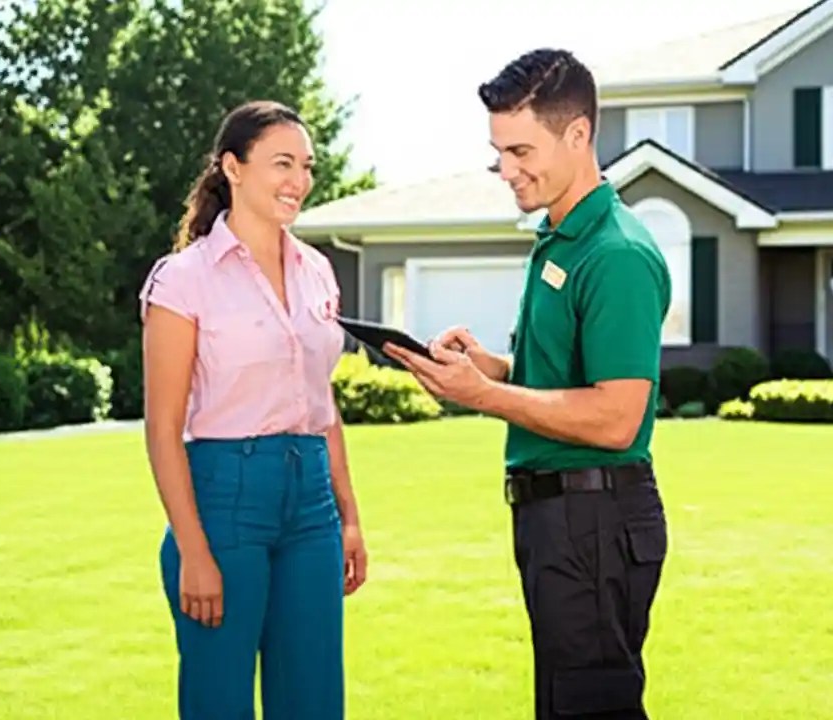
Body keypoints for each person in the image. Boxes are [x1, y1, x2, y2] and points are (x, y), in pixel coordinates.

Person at [384, 48, 670, 720]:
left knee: (591, 708)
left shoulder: (616, 254)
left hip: (593, 519)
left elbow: (616, 417)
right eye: (498, 153)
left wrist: (482, 397)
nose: (506, 171)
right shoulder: (558, 241)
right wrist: (486, 369)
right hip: (558, 518)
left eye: (519, 150)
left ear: (578, 135)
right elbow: (559, 380)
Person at [140, 99, 367, 720]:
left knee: (315, 702)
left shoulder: (318, 271)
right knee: (219, 702)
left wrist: (348, 515)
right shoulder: (183, 279)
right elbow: (161, 428)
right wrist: (193, 549)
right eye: (282, 163)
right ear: (233, 168)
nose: (299, 180)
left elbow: (323, 404)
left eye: (307, 166)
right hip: (224, 503)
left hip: (312, 507)